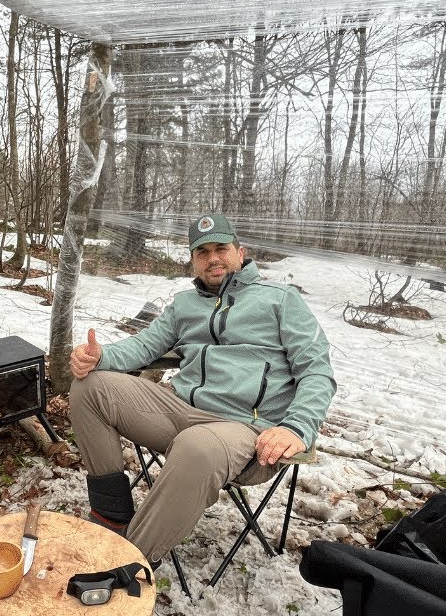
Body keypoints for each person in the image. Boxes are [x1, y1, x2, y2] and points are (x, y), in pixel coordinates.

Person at [69, 213, 336, 565]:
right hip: (178, 410)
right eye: (202, 252)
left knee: (195, 447)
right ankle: (111, 517)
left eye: (221, 248)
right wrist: (100, 356)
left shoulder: (281, 300)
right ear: (193, 261)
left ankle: (126, 566)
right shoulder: (184, 304)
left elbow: (317, 370)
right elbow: (144, 347)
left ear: (241, 252)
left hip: (246, 428)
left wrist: (297, 427)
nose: (213, 258)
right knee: (90, 387)